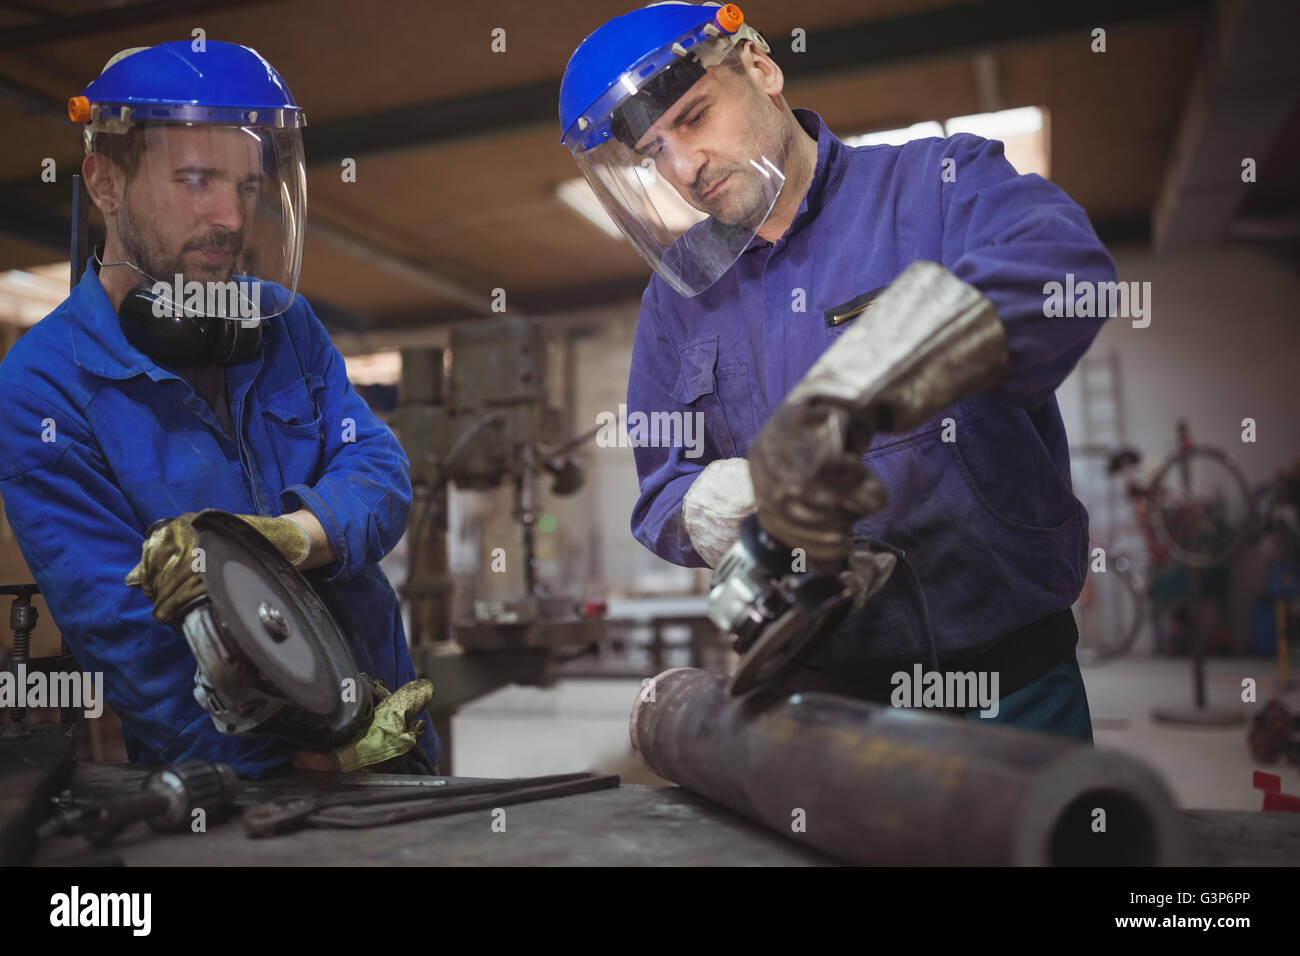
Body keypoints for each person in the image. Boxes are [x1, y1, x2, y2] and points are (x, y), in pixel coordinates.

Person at [560, 2, 1117, 740]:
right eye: (654, 152)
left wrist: (861, 389)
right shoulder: (677, 298)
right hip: (818, 694)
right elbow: (662, 494)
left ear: (760, 68)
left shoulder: (936, 183)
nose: (683, 168)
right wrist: (737, 496)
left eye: (693, 118)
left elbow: (1063, 269)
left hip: (1009, 682)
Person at [0, 42, 438, 776]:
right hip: (237, 793)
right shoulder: (42, 388)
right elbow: (133, 644)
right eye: (197, 181)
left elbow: (380, 470)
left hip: (392, 731)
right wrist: (309, 767)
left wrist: (293, 538)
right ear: (104, 180)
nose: (231, 217)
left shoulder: (282, 324)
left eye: (247, 184)